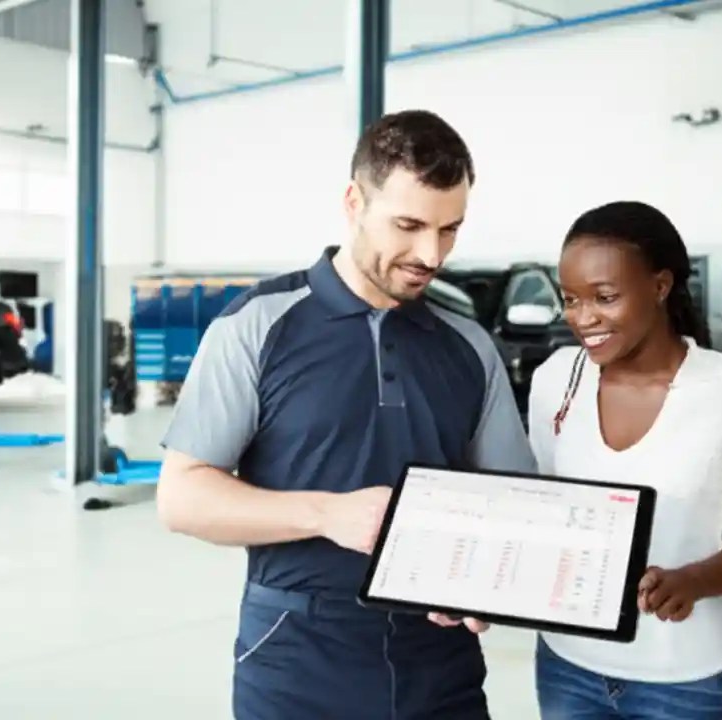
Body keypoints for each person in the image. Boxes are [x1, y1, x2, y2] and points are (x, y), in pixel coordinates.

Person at [156, 109, 536, 719]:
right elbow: (182, 499)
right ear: (354, 201)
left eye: (450, 229)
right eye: (408, 225)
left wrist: (480, 579)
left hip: (441, 666)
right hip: (295, 655)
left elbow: (511, 502)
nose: (430, 253)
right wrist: (326, 513)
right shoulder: (256, 325)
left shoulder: (468, 346)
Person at [527, 200, 722, 720]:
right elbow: (549, 503)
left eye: (605, 297)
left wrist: (694, 580)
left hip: (690, 680)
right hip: (567, 665)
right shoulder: (556, 379)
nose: (583, 318)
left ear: (659, 285)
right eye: (570, 299)